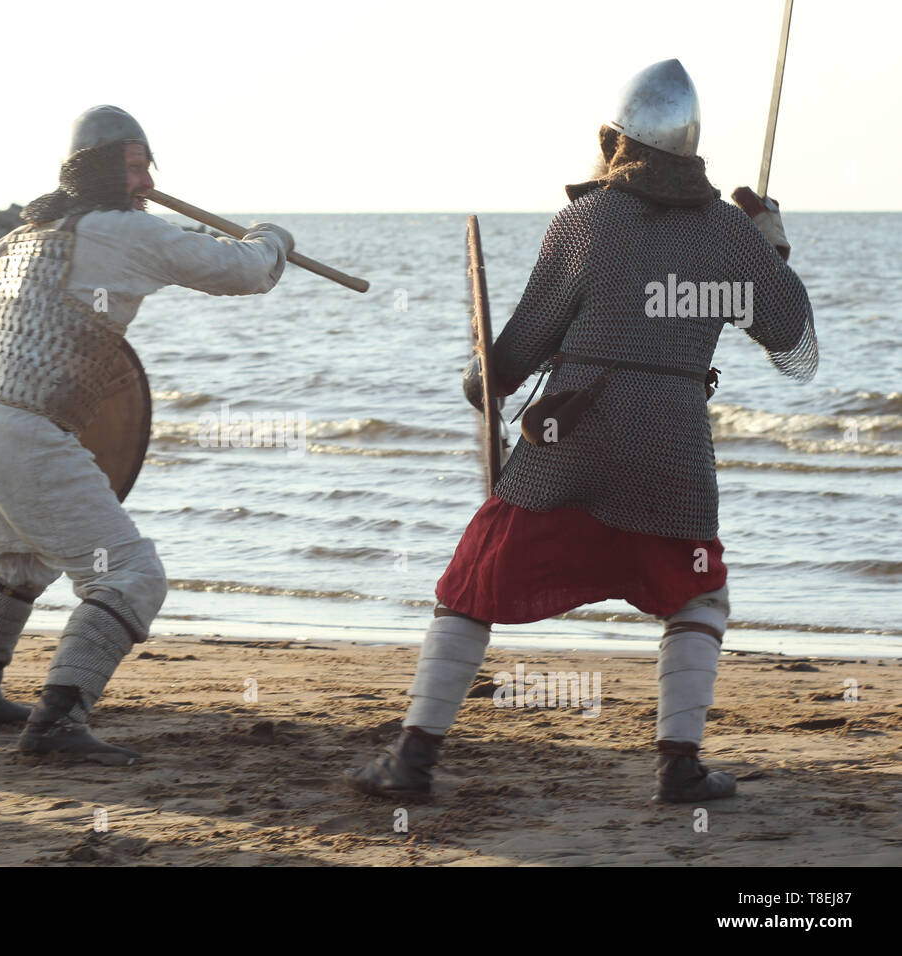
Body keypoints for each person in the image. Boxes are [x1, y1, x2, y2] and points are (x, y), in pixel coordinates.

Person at [345, 60, 816, 802]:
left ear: (615, 142)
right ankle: (679, 768)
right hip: (672, 449)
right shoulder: (728, 231)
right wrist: (770, 246)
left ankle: (412, 759)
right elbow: (792, 339)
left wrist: (478, 374)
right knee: (697, 597)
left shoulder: (584, 221)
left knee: (472, 586)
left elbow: (509, 362)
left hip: (573, 438)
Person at [0, 105, 294, 763]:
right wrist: (273, 239)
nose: (147, 181)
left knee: (18, 560)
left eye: (149, 166)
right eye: (133, 166)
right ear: (99, 169)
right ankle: (56, 725)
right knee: (131, 574)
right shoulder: (127, 232)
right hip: (19, 430)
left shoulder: (12, 241)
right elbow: (244, 271)